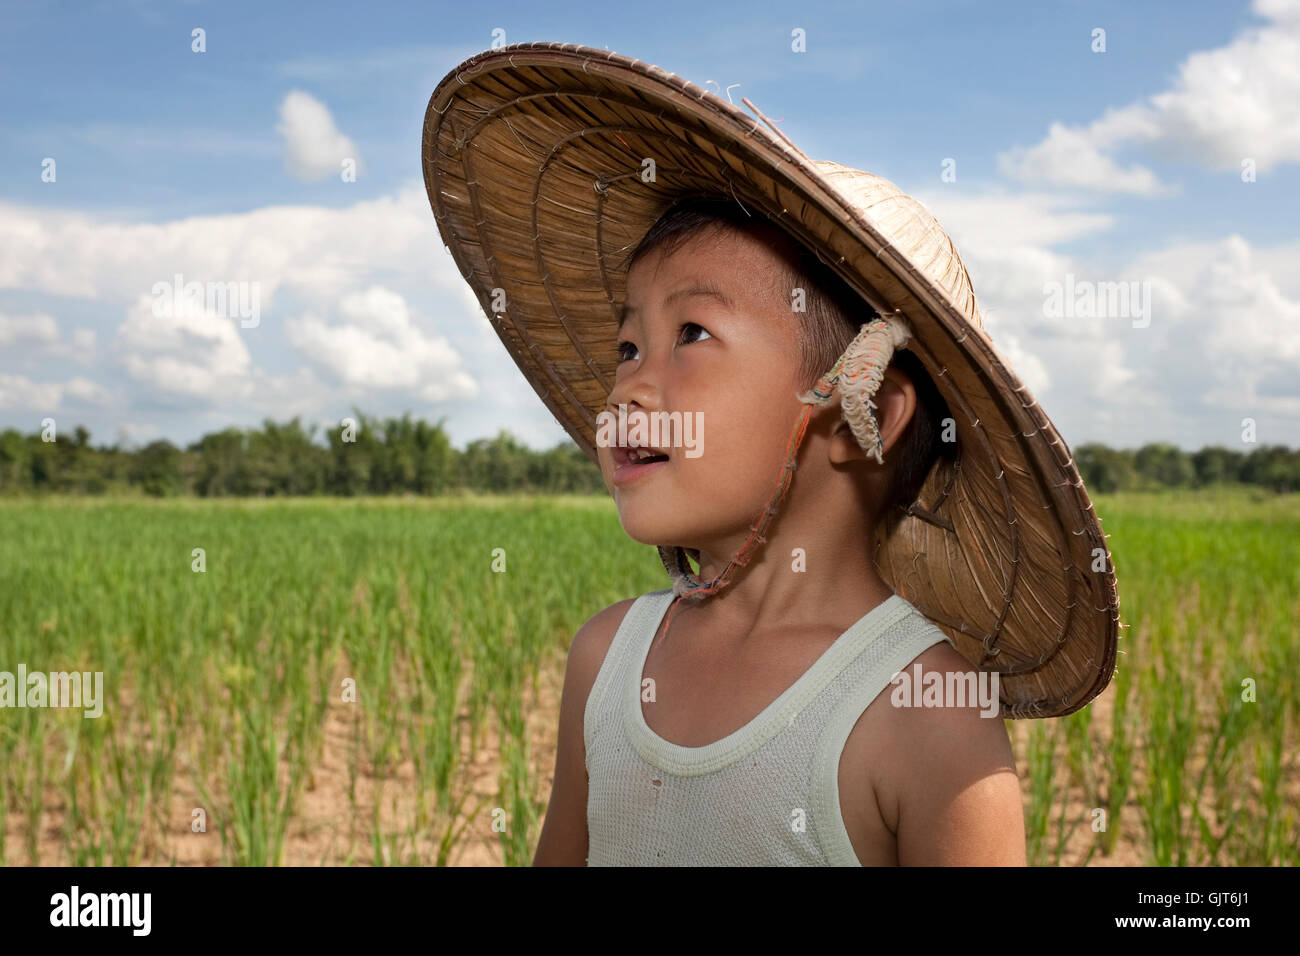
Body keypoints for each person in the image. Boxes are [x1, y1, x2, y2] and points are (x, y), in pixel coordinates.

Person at [422, 42, 1119, 866]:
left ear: (865, 411)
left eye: (690, 334)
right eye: (625, 347)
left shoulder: (927, 717)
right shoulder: (608, 660)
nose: (625, 394)